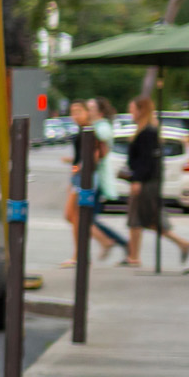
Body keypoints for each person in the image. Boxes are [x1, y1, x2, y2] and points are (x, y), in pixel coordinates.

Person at [122, 97, 189, 268]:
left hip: (145, 182)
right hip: (147, 181)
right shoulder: (148, 130)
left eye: (132, 109)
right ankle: (180, 244)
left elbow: (145, 161)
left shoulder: (147, 132)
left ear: (141, 110)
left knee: (139, 219)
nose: (130, 112)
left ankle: (134, 256)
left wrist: (137, 179)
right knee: (144, 219)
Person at [64, 98, 130, 265]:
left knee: (78, 216)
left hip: (86, 176)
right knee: (73, 216)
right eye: (73, 112)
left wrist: (82, 167)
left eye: (79, 111)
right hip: (81, 176)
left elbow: (100, 152)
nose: (75, 115)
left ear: (87, 112)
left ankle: (82, 255)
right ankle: (96, 246)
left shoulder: (90, 130)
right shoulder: (84, 129)